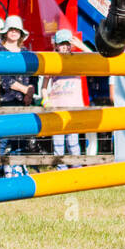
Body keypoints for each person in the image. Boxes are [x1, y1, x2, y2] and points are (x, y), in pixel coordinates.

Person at [0, 15, 37, 172]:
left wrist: (30, 92)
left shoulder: (27, 53)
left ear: (21, 33)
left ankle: (16, 168)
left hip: (24, 100)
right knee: (3, 137)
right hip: (5, 100)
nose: (13, 32)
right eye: (11, 29)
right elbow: (1, 78)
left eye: (16, 30)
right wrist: (24, 89)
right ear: (6, 32)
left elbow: (34, 76)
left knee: (20, 137)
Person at [40, 29, 86, 165]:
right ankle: (61, 170)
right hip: (57, 105)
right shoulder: (52, 61)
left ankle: (76, 168)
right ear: (56, 45)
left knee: (73, 141)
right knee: (58, 142)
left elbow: (95, 57)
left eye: (67, 44)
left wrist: (81, 45)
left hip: (74, 107)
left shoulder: (77, 60)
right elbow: (44, 86)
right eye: (61, 44)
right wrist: (45, 100)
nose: (65, 47)